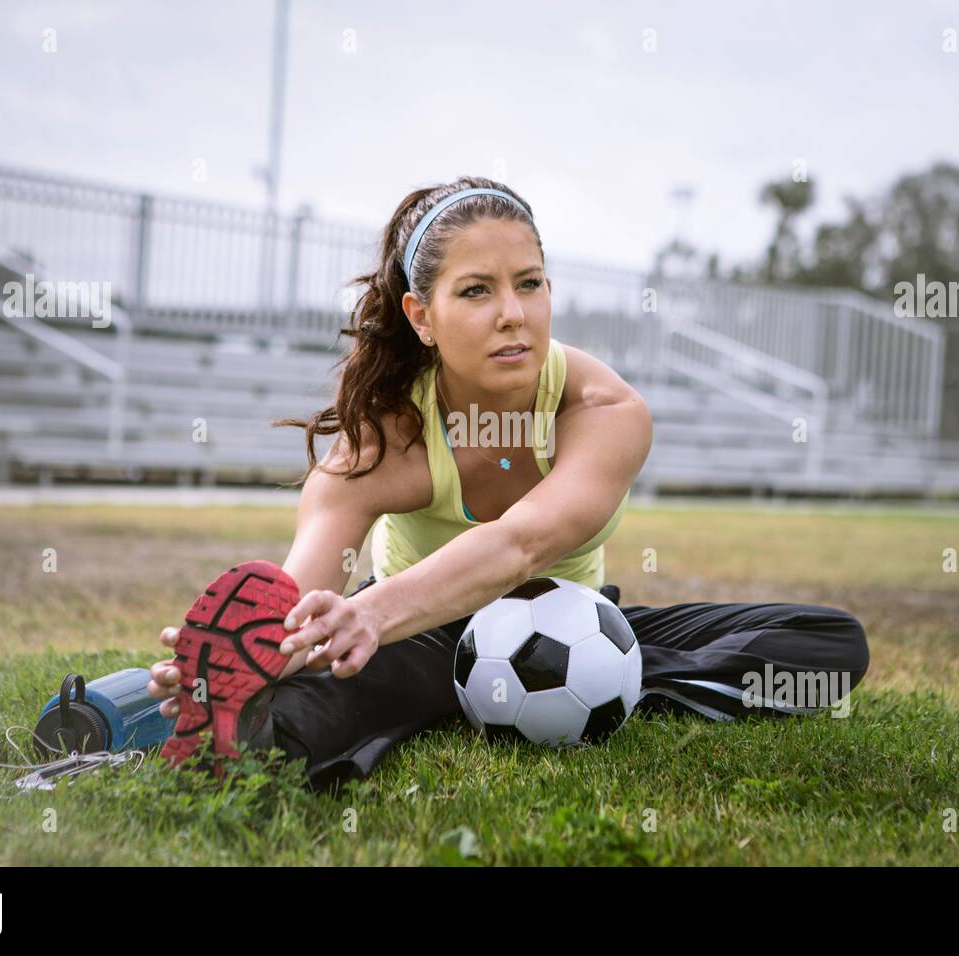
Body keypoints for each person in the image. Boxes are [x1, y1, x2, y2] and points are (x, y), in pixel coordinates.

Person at [148, 178, 870, 794]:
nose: (512, 314)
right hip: (416, 633)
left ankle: (605, 682)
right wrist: (260, 650)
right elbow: (303, 586)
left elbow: (524, 543)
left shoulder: (605, 410)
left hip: (578, 625)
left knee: (827, 644)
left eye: (529, 283)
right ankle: (230, 726)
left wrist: (369, 614)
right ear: (421, 317)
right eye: (476, 291)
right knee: (300, 718)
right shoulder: (384, 439)